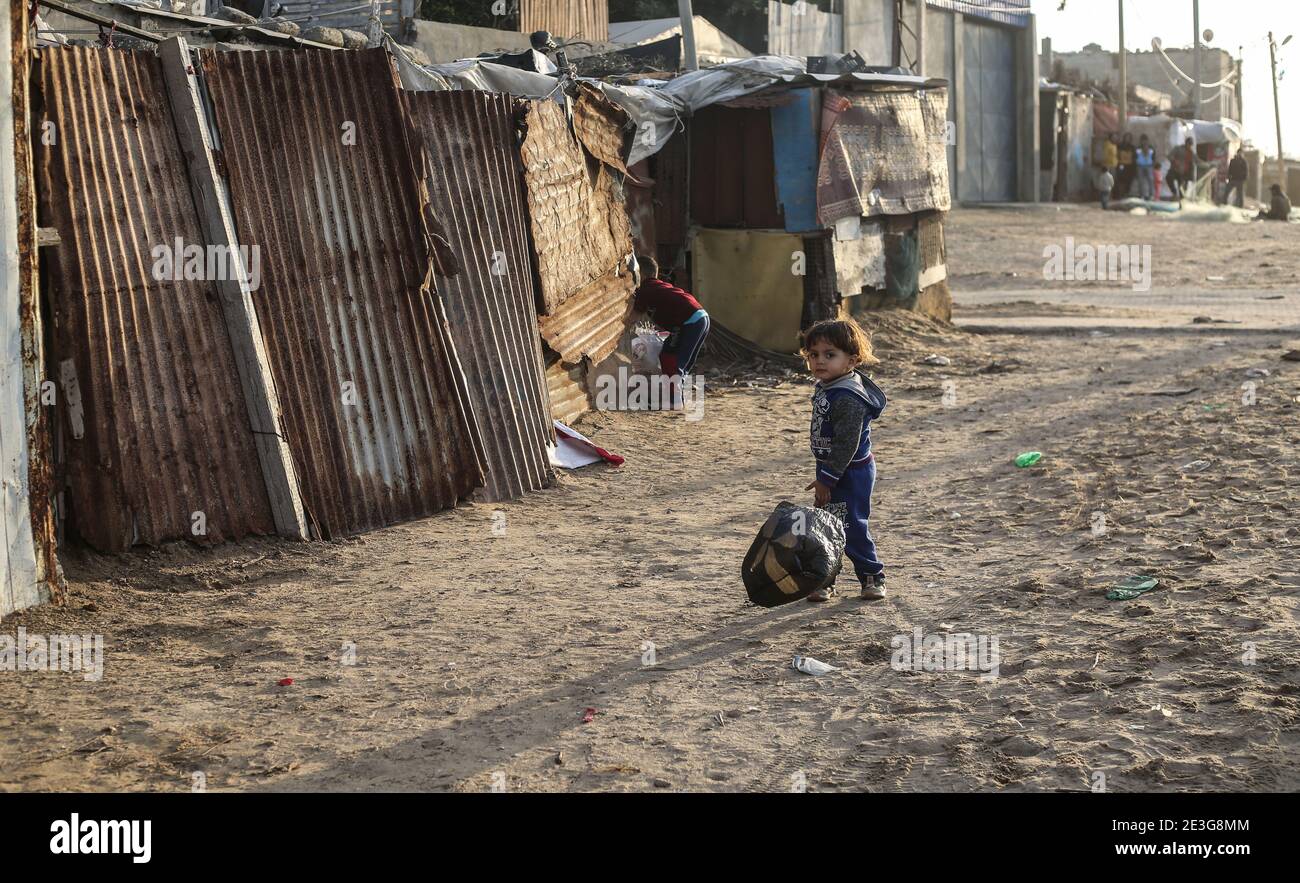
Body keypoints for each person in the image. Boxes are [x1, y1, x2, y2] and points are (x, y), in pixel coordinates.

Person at [800, 319, 888, 602]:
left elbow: (847, 444)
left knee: (850, 525)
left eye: (829, 355)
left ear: (851, 360)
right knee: (826, 524)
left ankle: (872, 575)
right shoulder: (830, 384)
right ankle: (826, 578)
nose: (819, 361)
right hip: (831, 468)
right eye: (814, 355)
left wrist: (827, 479)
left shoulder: (849, 396)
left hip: (850, 472)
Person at [632, 254, 711, 378]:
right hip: (701, 317)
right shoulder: (659, 287)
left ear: (640, 274)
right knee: (681, 363)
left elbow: (633, 318)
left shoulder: (646, 289)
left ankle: (674, 395)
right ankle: (677, 392)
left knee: (671, 360)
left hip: (689, 320)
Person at [1168, 137, 1199, 202]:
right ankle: (1174, 193)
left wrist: (1208, 164)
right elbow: (1170, 156)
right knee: (1169, 177)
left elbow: (1197, 160)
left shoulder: (1191, 153)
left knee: (1182, 189)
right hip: (1175, 170)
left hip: (1185, 174)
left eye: (1191, 144)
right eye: (1189, 144)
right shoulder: (1178, 149)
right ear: (1186, 143)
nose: (1189, 146)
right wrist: (1175, 161)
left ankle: (1181, 201)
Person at [1135, 134, 1156, 200]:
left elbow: (1154, 157)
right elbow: (1135, 157)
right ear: (1140, 141)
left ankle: (1151, 195)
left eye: (1145, 140)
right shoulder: (1138, 148)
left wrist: (1153, 164)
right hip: (1140, 166)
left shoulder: (1151, 148)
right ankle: (1142, 195)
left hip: (1149, 166)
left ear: (1147, 141)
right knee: (1140, 181)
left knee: (1150, 180)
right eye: (1142, 140)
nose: (1144, 142)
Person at [1116, 132, 1136, 199]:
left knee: (1129, 180)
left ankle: (1126, 193)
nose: (1127, 139)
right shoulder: (1119, 146)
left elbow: (1134, 157)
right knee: (1121, 180)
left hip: (1130, 166)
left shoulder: (1132, 147)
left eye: (1129, 138)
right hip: (1122, 165)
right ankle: (1120, 194)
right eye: (1126, 137)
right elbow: (1117, 155)